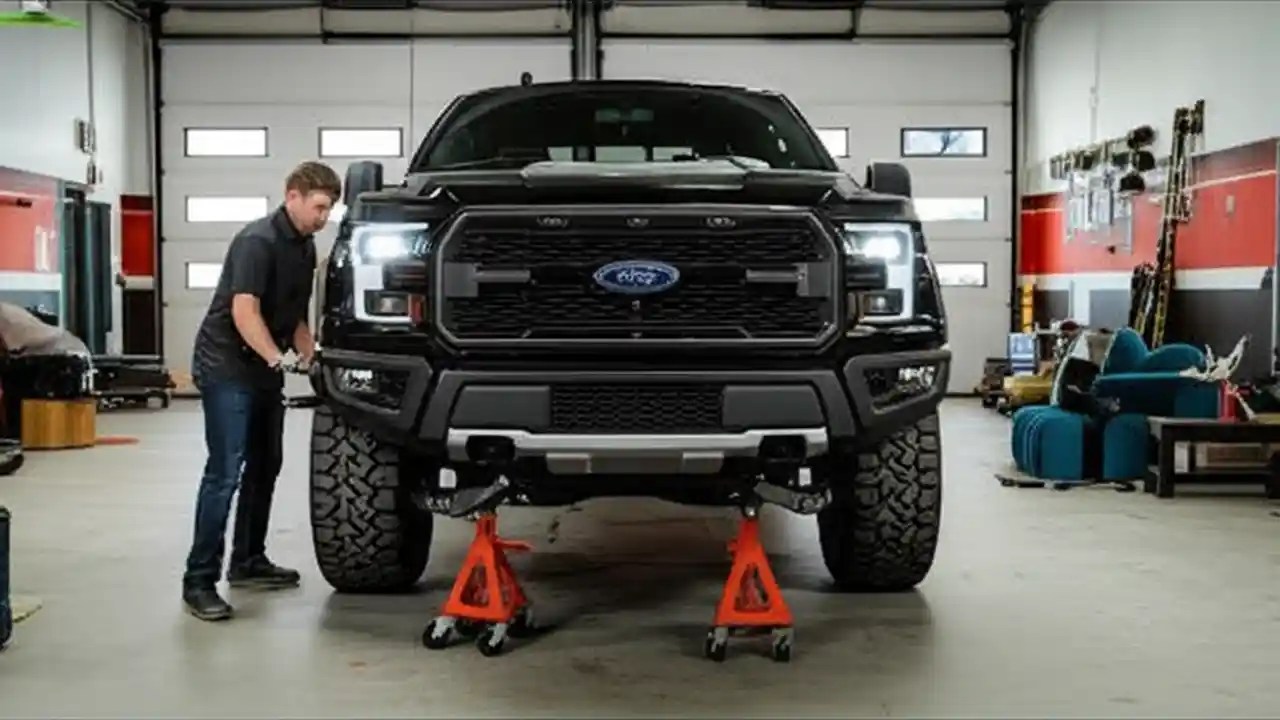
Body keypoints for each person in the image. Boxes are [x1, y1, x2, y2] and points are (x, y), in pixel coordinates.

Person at [181, 161, 341, 621]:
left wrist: (316, 362)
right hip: (226, 366)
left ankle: (248, 560)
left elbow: (295, 319)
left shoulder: (305, 247)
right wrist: (277, 357)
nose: (323, 218)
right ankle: (198, 582)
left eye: (329, 210)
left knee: (266, 464)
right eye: (318, 207)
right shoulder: (258, 241)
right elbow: (244, 311)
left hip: (262, 368)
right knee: (225, 472)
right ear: (292, 195)